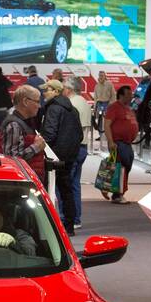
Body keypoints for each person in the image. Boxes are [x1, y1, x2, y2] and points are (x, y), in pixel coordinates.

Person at [41, 79, 84, 234]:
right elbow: (79, 134)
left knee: (48, 189)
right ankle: (69, 224)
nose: (44, 92)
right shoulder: (73, 110)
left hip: (54, 156)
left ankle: (48, 225)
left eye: (47, 89)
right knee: (67, 190)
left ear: (56, 91)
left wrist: (43, 147)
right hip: (70, 156)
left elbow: (49, 134)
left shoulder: (53, 109)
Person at [0, 84, 48, 186]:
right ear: (25, 102)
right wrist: (36, 147)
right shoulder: (14, 125)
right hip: (19, 185)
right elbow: (12, 160)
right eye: (37, 101)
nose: (39, 106)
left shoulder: (22, 123)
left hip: (25, 182)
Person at [64, 77, 93, 224]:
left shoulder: (71, 104)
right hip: (83, 147)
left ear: (69, 89)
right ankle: (76, 219)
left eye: (64, 87)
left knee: (66, 186)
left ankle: (69, 218)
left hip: (73, 148)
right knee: (75, 185)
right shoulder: (84, 102)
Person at [103, 84, 138, 203]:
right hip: (118, 143)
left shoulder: (128, 108)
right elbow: (107, 125)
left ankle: (107, 187)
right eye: (128, 94)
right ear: (121, 95)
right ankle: (117, 194)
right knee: (120, 168)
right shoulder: (114, 107)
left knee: (125, 167)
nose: (131, 96)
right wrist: (111, 141)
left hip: (127, 144)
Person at [92, 73, 116, 146]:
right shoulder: (96, 86)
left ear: (105, 76)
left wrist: (111, 104)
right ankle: (101, 135)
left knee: (108, 121)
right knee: (99, 121)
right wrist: (95, 106)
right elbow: (95, 97)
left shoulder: (109, 84)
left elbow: (113, 95)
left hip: (107, 104)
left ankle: (108, 136)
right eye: (99, 75)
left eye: (102, 75)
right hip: (99, 104)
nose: (100, 77)